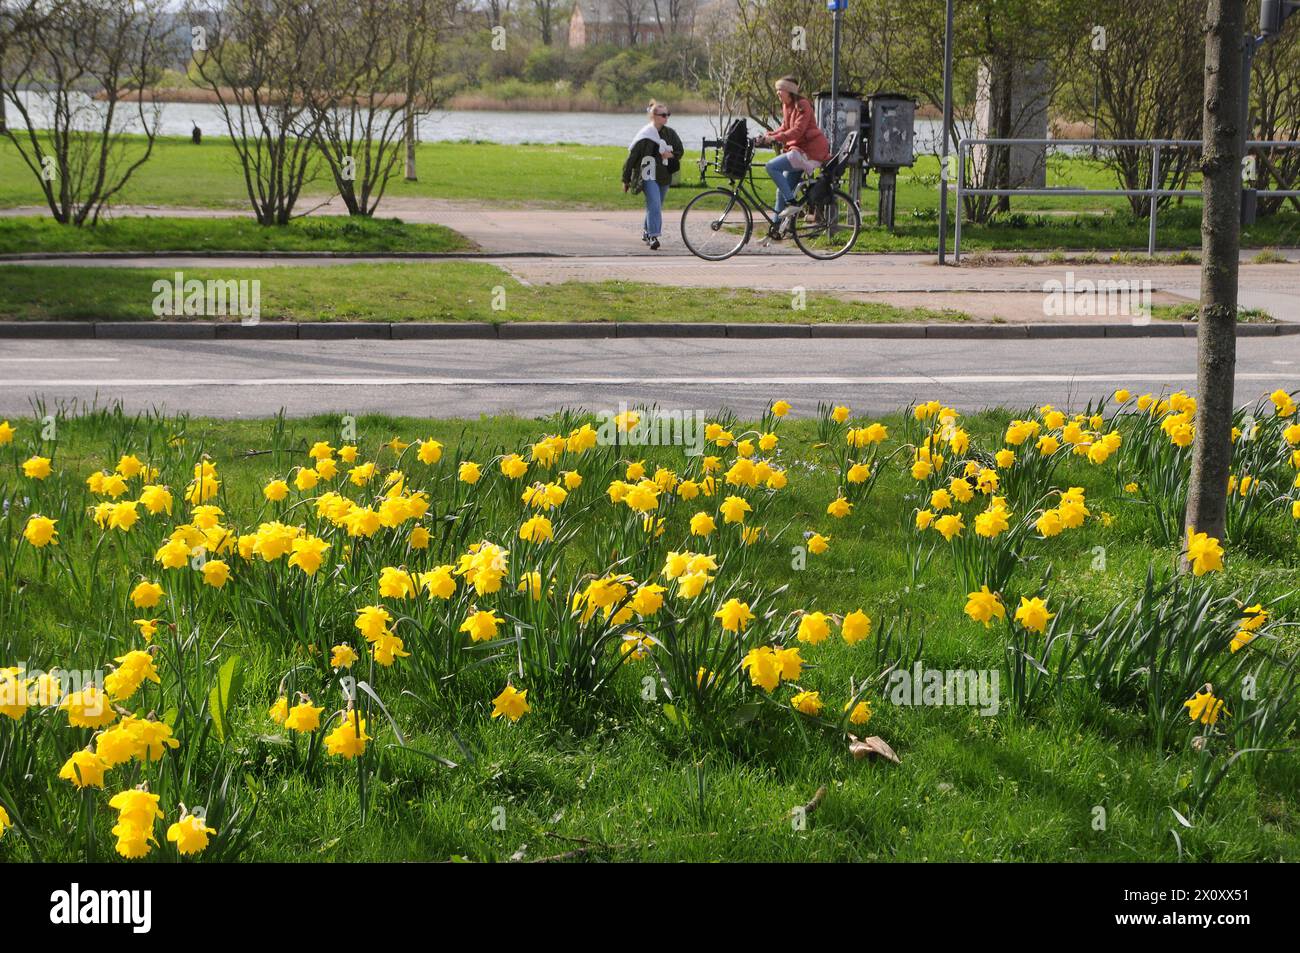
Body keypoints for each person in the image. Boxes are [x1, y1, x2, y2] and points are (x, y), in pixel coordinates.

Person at [756, 77, 830, 232]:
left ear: (789, 91)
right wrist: (767, 135)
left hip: (810, 151)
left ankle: (793, 203)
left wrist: (774, 138)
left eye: (780, 90)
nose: (777, 93)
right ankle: (776, 229)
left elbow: (798, 131)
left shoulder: (803, 105)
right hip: (798, 151)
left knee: (771, 167)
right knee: (780, 191)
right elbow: (784, 127)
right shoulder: (786, 105)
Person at [622, 101, 683, 251]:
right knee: (654, 204)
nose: (666, 117)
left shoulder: (670, 133)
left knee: (655, 205)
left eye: (667, 114)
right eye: (663, 115)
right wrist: (626, 179)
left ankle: (646, 231)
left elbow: (680, 151)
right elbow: (631, 158)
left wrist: (671, 154)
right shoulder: (645, 135)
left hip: (664, 176)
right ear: (653, 116)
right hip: (647, 174)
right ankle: (653, 236)